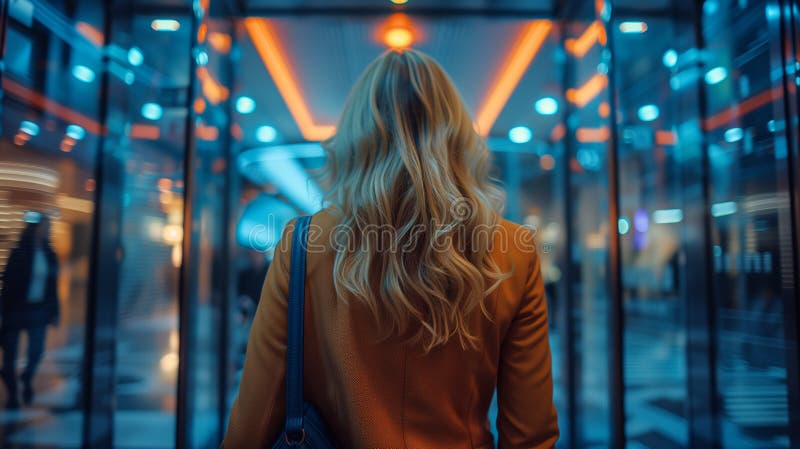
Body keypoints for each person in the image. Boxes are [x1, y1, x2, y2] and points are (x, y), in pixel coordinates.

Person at [222, 49, 558, 448]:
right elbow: (530, 433)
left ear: (355, 137)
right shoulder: (513, 251)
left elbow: (252, 425)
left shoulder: (303, 245)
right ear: (457, 135)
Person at [0, 215, 60, 409]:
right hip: (16, 310)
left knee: (37, 351)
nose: (45, 231)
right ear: (33, 229)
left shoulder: (49, 254)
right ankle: (12, 395)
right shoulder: (19, 253)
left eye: (47, 228)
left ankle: (26, 377)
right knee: (10, 355)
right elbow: (7, 285)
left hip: (38, 310)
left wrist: (54, 312)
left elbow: (52, 287)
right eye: (43, 227)